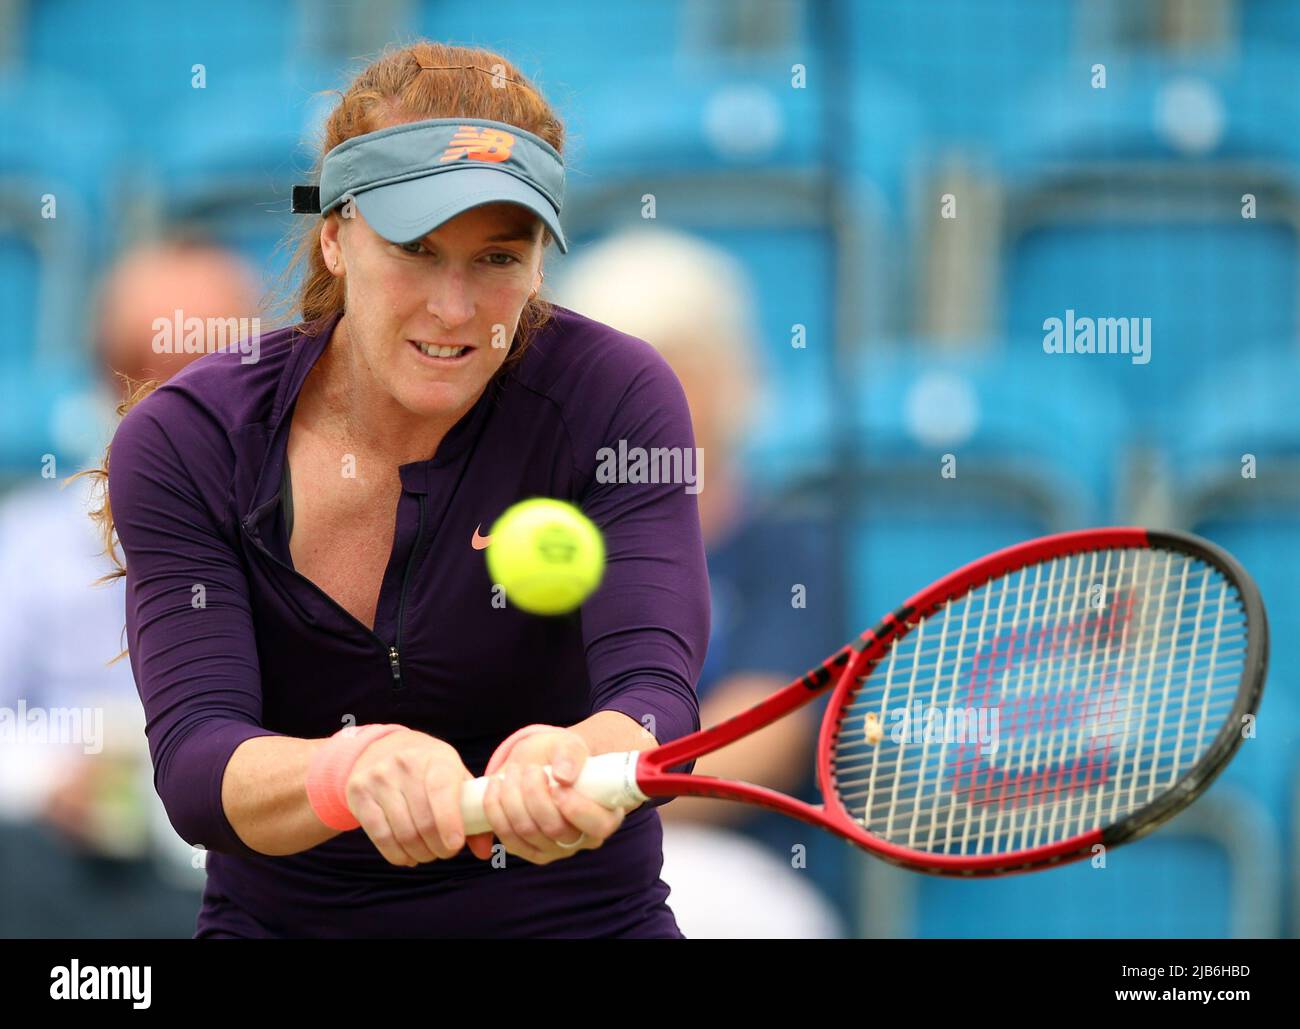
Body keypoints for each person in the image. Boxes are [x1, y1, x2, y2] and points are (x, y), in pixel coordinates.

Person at [82, 40, 709, 939]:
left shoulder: (617, 394)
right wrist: (349, 769)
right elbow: (194, 765)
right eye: (416, 249)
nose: (454, 308)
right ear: (335, 237)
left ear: (538, 264)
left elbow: (653, 695)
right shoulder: (188, 439)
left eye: (498, 257)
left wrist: (580, 755)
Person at [558, 227, 849, 937]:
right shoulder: (542, 546)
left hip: (732, 874)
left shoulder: (787, 553)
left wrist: (575, 792)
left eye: (674, 366)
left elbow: (759, 738)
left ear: (730, 379)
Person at [0, 237, 260, 936]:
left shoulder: (311, 528)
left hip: (261, 862)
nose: (183, 392)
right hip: (83, 877)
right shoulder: (29, 542)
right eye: (151, 368)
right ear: (109, 376)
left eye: (214, 362)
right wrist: (53, 774)